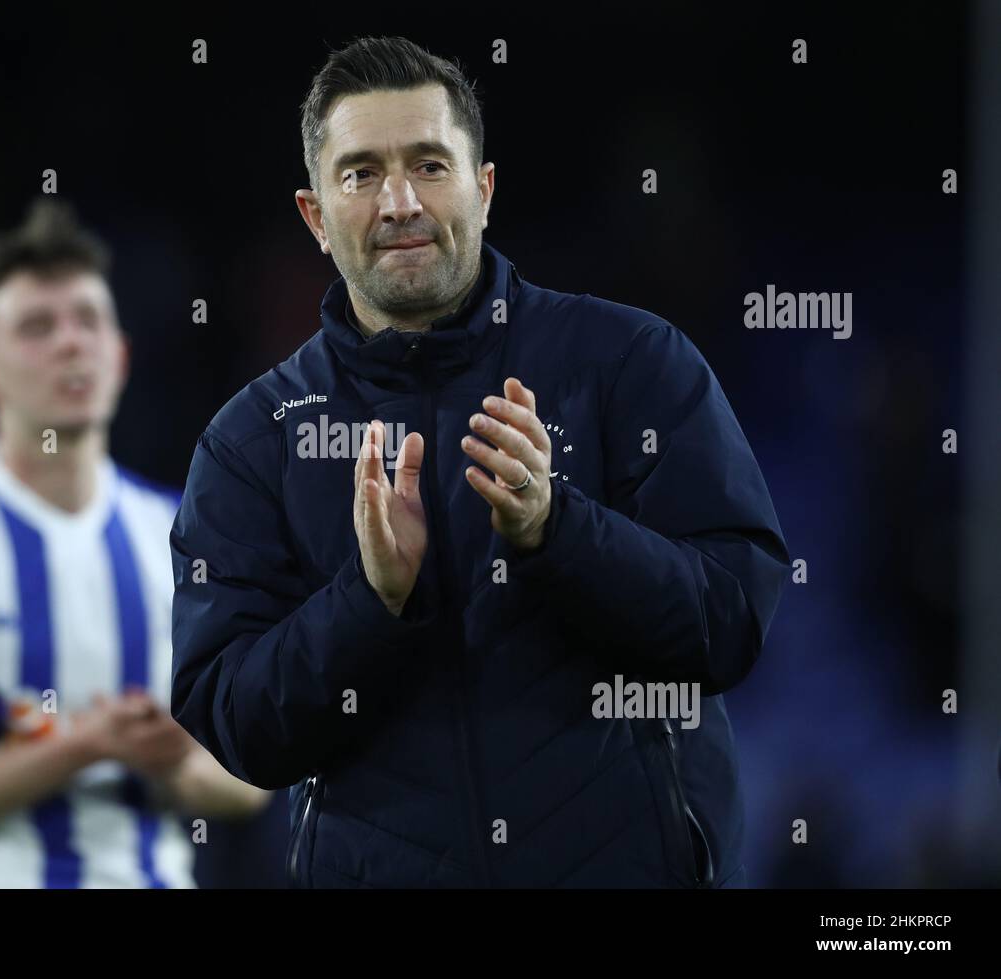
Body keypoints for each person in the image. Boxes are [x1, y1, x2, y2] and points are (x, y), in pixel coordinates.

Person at [170, 37, 790, 887]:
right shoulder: (252, 440)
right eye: (359, 174)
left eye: (429, 164)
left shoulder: (628, 360)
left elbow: (732, 620)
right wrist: (372, 600)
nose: (398, 203)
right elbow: (237, 725)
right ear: (316, 216)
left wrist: (556, 531)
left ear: (483, 189)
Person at [0, 201, 267, 888]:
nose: (72, 343)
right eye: (38, 326)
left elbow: (250, 784)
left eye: (89, 320)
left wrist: (171, 758)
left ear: (122, 356)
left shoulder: (186, 534)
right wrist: (79, 748)